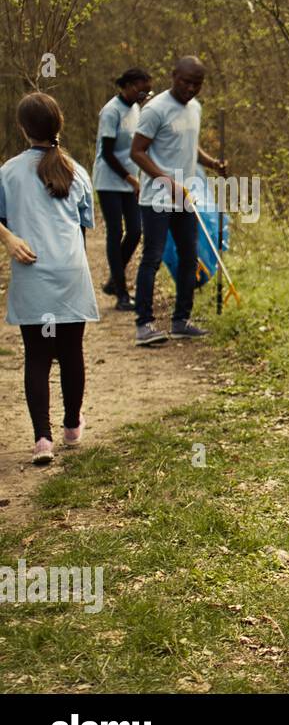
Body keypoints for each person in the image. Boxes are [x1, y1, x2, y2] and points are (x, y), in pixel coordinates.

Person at [0, 93, 100, 464]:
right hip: (70, 273)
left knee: (38, 356)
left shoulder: (8, 172)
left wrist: (9, 238)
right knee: (72, 352)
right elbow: (83, 228)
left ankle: (43, 440)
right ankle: (72, 426)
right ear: (59, 125)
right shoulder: (77, 170)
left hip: (33, 273)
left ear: (22, 128)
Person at [129, 55, 226, 346]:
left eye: (197, 84)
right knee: (152, 258)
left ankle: (181, 320)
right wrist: (165, 181)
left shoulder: (195, 108)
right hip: (158, 196)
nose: (190, 88)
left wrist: (212, 163)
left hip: (186, 195)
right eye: (186, 82)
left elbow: (188, 144)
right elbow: (137, 152)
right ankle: (144, 325)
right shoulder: (155, 110)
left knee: (188, 257)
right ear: (173, 76)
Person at [92, 67, 152, 312]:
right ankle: (122, 294)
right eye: (140, 88)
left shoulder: (137, 110)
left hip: (130, 180)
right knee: (115, 231)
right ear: (126, 85)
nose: (143, 93)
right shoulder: (111, 111)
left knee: (136, 231)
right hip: (109, 180)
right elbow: (107, 153)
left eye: (146, 90)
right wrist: (129, 178)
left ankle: (112, 282)